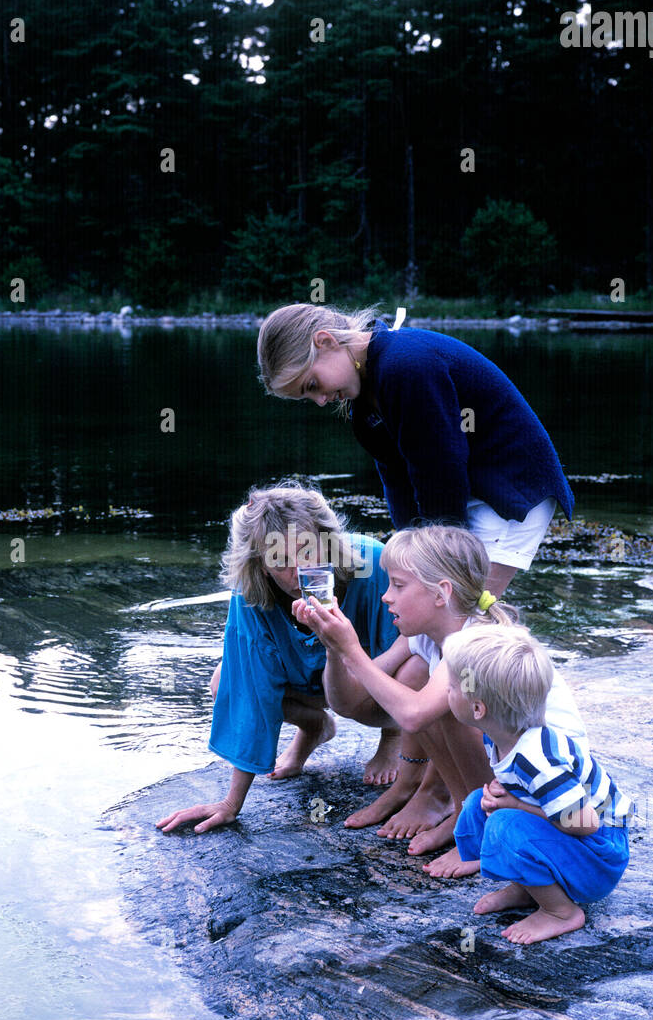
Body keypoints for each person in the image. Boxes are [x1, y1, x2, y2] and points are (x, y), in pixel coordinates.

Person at [292, 525, 587, 859]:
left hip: (547, 778)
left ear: (441, 593)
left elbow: (413, 716)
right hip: (508, 766)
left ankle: (482, 832)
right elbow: (348, 702)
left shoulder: (476, 640)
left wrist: (353, 651)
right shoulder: (422, 633)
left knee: (455, 700)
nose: (386, 596)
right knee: (421, 681)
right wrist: (335, 648)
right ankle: (464, 811)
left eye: (398, 585)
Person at [256, 303, 574, 600]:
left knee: (463, 611)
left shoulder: (405, 366)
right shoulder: (364, 398)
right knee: (428, 607)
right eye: (307, 397)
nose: (321, 401)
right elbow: (397, 478)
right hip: (469, 484)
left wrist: (439, 559)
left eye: (312, 385)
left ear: (325, 341)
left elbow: (440, 468)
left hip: (511, 489)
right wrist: (409, 549)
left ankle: (511, 657)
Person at [156, 485, 401, 835]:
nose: (299, 571)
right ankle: (313, 728)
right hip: (309, 681)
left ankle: (392, 737)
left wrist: (358, 668)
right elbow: (249, 685)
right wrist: (231, 804)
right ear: (261, 566)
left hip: (371, 678)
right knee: (223, 680)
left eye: (307, 551)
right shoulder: (251, 593)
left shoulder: (371, 563)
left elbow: (415, 648)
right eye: (280, 561)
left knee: (384, 678)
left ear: (328, 541)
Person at [442, 623, 632, 944]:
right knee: (477, 804)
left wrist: (514, 805)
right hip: (579, 842)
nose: (446, 690)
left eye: (451, 685)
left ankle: (560, 911)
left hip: (600, 853)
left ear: (478, 708)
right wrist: (503, 797)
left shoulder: (538, 760)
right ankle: (528, 887)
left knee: (505, 824)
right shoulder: (498, 736)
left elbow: (586, 823)